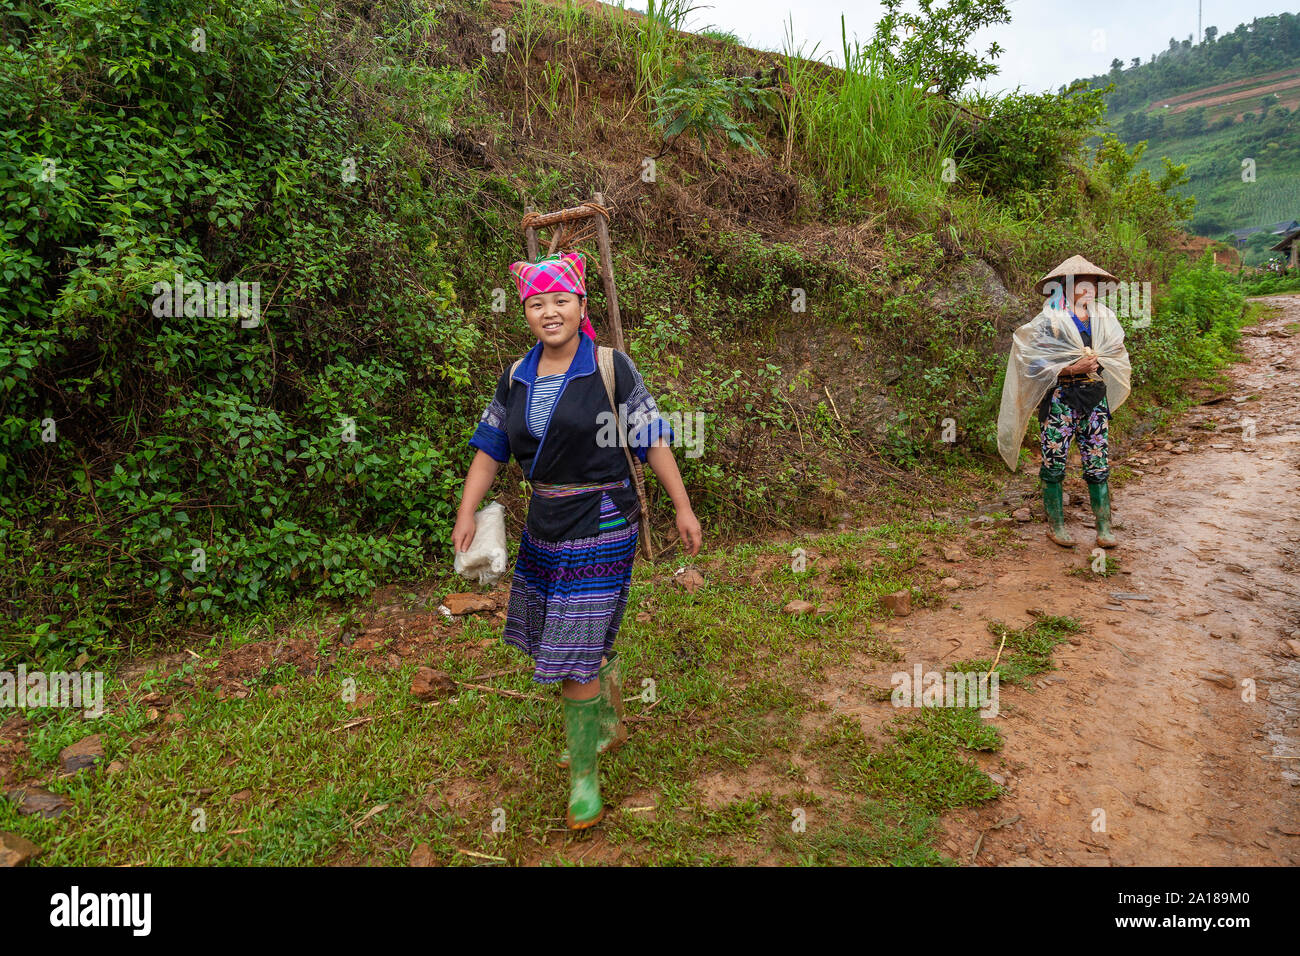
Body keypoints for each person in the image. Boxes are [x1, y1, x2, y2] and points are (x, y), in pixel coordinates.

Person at [453, 250, 703, 830]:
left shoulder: (611, 369)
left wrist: (682, 507)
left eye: (560, 300)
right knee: (572, 631)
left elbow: (652, 437)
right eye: (537, 303)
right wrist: (467, 511)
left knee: (571, 643)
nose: (549, 312)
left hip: (605, 519)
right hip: (546, 523)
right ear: (525, 313)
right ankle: (606, 720)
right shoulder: (515, 376)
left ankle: (583, 777)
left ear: (581, 305)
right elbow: (491, 449)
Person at [996, 255, 1133, 549]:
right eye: (1083, 284)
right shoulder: (1049, 321)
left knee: (1097, 460)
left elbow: (1117, 354)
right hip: (1060, 400)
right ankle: (1056, 525)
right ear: (1066, 287)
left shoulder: (1104, 318)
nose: (1089, 289)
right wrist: (1071, 369)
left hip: (1094, 399)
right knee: (1054, 460)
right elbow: (1031, 363)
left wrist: (1099, 363)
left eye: (1093, 284)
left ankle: (1104, 527)